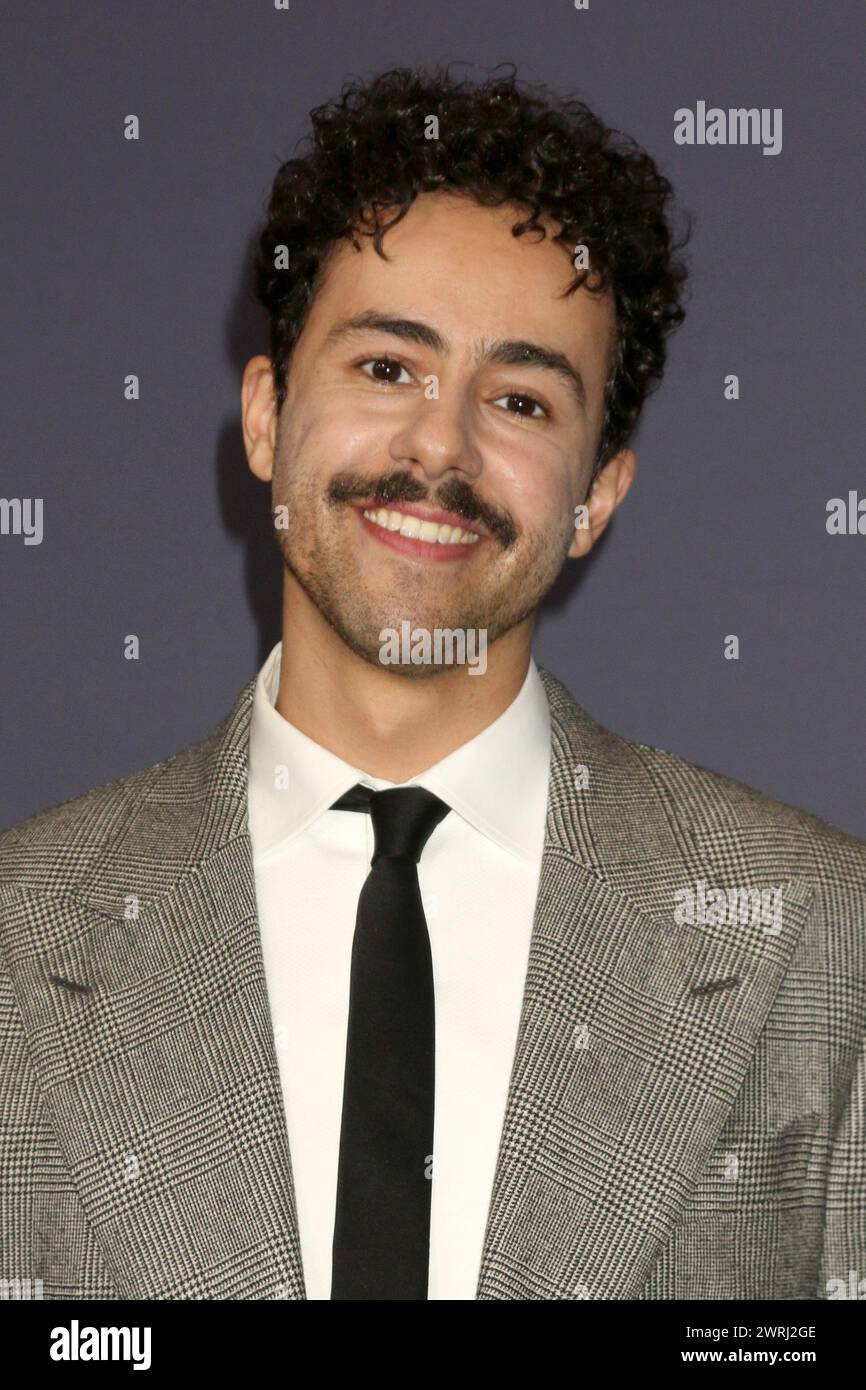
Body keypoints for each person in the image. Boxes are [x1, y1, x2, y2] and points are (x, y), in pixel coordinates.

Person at [1, 65, 863, 1303]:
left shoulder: (823, 942)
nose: (439, 446)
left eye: (517, 397)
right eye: (386, 368)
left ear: (595, 497)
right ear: (264, 416)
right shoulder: (16, 939)